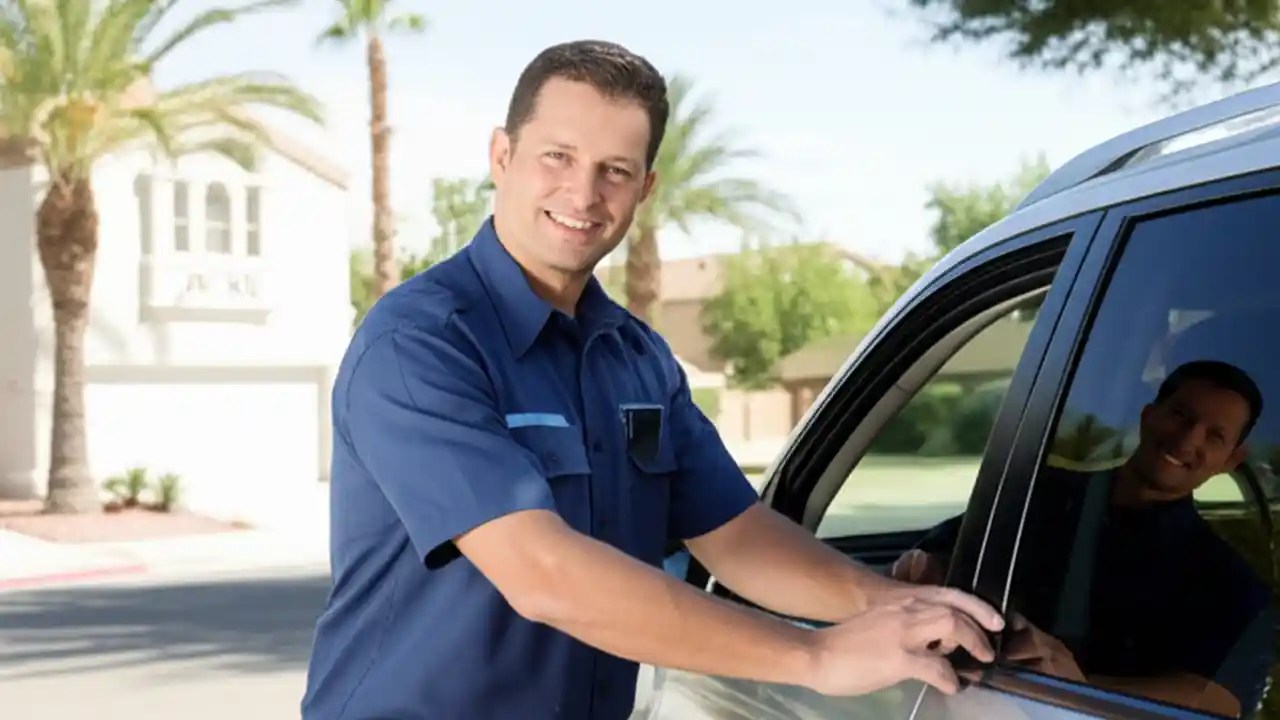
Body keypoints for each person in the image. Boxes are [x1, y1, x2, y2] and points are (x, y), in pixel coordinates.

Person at [300, 39, 1005, 720]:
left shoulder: (637, 358)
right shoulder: (420, 341)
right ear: (502, 155)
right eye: (558, 156)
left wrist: (884, 603)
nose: (583, 191)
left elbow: (734, 536)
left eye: (614, 169)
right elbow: (541, 573)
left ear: (646, 187)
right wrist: (815, 657)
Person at [893, 359, 1273, 718]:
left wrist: (1077, 685)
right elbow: (933, 560)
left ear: (1230, 460)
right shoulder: (1036, 499)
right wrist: (927, 576)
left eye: (1215, 435)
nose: (1187, 439)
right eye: (1180, 415)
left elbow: (1219, 702)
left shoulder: (1228, 582)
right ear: (1147, 416)